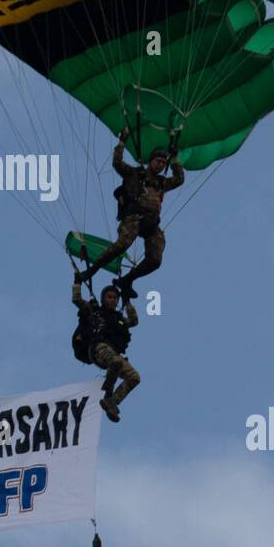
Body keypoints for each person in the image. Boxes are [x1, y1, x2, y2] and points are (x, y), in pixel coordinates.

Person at [79, 125, 184, 299]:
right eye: (158, 161)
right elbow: (117, 163)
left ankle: (127, 281)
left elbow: (179, 179)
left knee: (155, 260)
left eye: (163, 163)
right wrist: (122, 142)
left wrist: (175, 159)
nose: (160, 165)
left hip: (151, 224)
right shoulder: (135, 174)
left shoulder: (161, 183)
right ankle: (93, 269)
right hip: (134, 217)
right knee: (122, 245)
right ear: (151, 160)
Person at [71, 280, 139, 422]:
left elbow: (133, 321)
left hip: (114, 354)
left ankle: (112, 401)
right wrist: (77, 283)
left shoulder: (119, 319)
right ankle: (107, 393)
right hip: (98, 348)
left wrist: (127, 301)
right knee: (115, 362)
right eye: (109, 297)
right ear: (103, 298)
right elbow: (77, 300)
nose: (112, 300)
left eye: (115, 298)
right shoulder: (95, 312)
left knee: (134, 377)